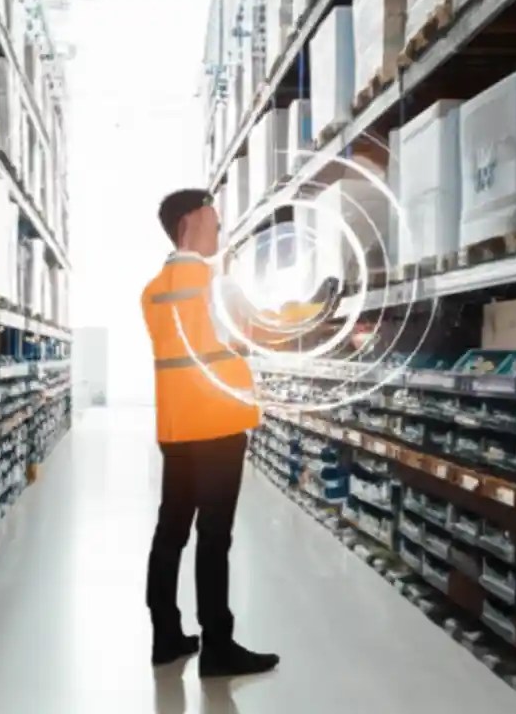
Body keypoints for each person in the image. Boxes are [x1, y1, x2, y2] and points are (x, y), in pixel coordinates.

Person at [142, 189, 339, 677]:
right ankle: (218, 647)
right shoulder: (213, 284)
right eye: (213, 218)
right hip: (217, 428)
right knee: (214, 538)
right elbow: (264, 329)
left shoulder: (153, 290)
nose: (220, 226)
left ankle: (166, 637)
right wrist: (317, 306)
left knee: (170, 534)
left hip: (176, 428)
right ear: (189, 221)